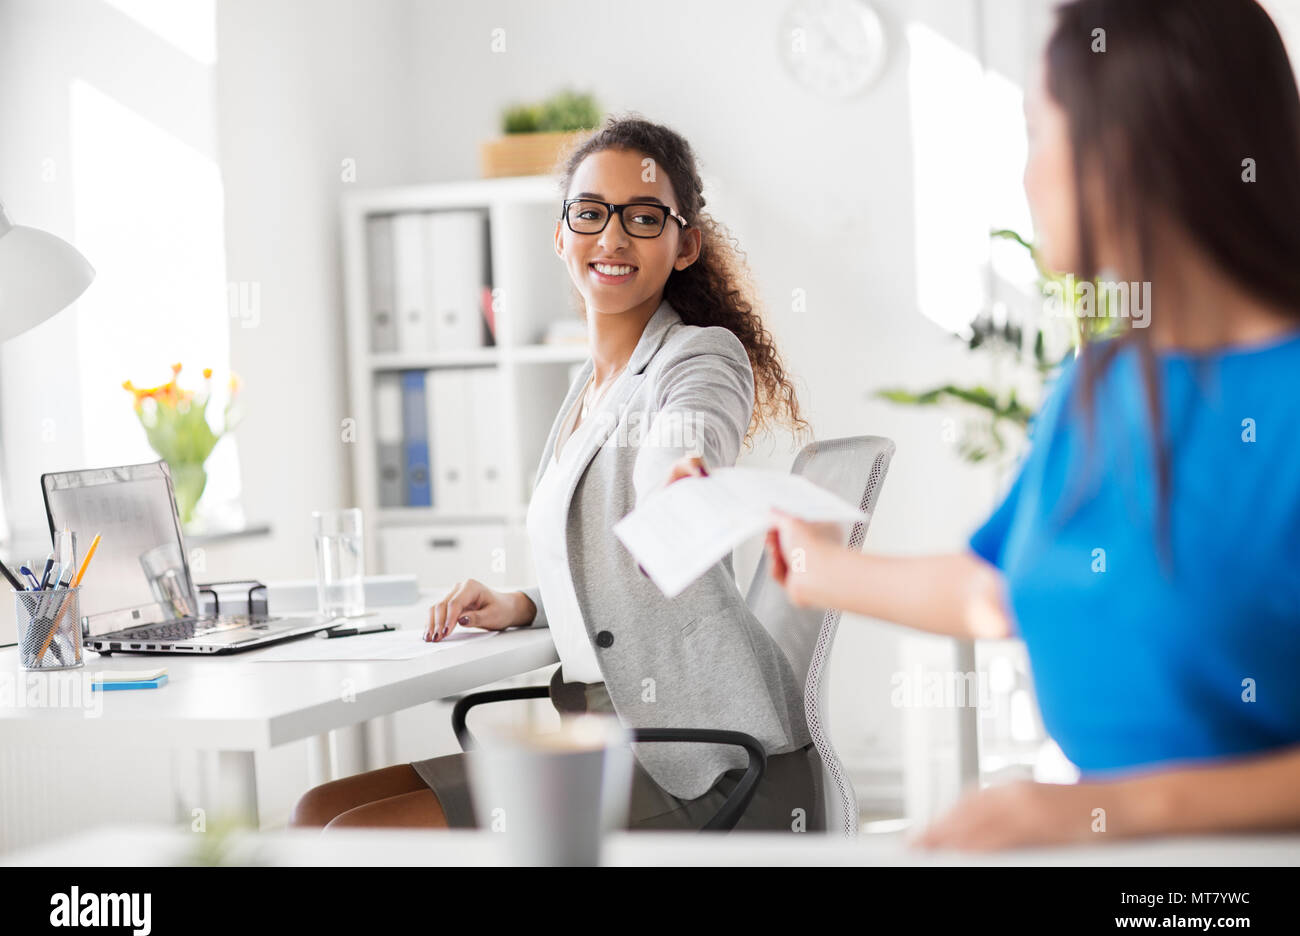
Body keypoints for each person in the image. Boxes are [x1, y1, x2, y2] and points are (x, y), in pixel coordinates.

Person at [763, 0, 1300, 851]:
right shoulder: (1102, 382)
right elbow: (997, 590)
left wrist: (1108, 811)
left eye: (1038, 132)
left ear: (1131, 143)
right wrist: (808, 567)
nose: (1025, 174)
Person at [292, 116, 820, 831]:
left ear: (684, 242)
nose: (611, 238)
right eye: (590, 213)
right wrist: (525, 604)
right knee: (319, 806)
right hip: (600, 731)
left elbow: (689, 433)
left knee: (352, 834)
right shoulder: (587, 387)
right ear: (561, 234)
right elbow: (599, 569)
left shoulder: (700, 355)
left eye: (642, 217)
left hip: (699, 753)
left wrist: (682, 473)